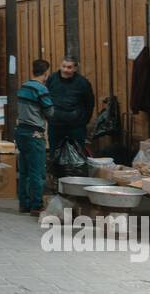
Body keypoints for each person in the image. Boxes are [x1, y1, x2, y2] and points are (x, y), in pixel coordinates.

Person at [15, 59, 55, 215]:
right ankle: (36, 206)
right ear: (46, 74)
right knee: (37, 172)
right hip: (35, 134)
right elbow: (50, 112)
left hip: (21, 132)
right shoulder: (41, 90)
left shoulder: (23, 87)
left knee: (24, 171)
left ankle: (23, 204)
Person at [47, 55, 94, 158]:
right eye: (63, 66)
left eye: (69, 67)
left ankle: (77, 173)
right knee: (54, 153)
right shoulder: (52, 79)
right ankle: (56, 173)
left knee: (78, 153)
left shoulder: (83, 82)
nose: (65, 70)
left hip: (76, 125)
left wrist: (83, 120)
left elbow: (89, 103)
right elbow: (46, 99)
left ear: (75, 68)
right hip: (56, 123)